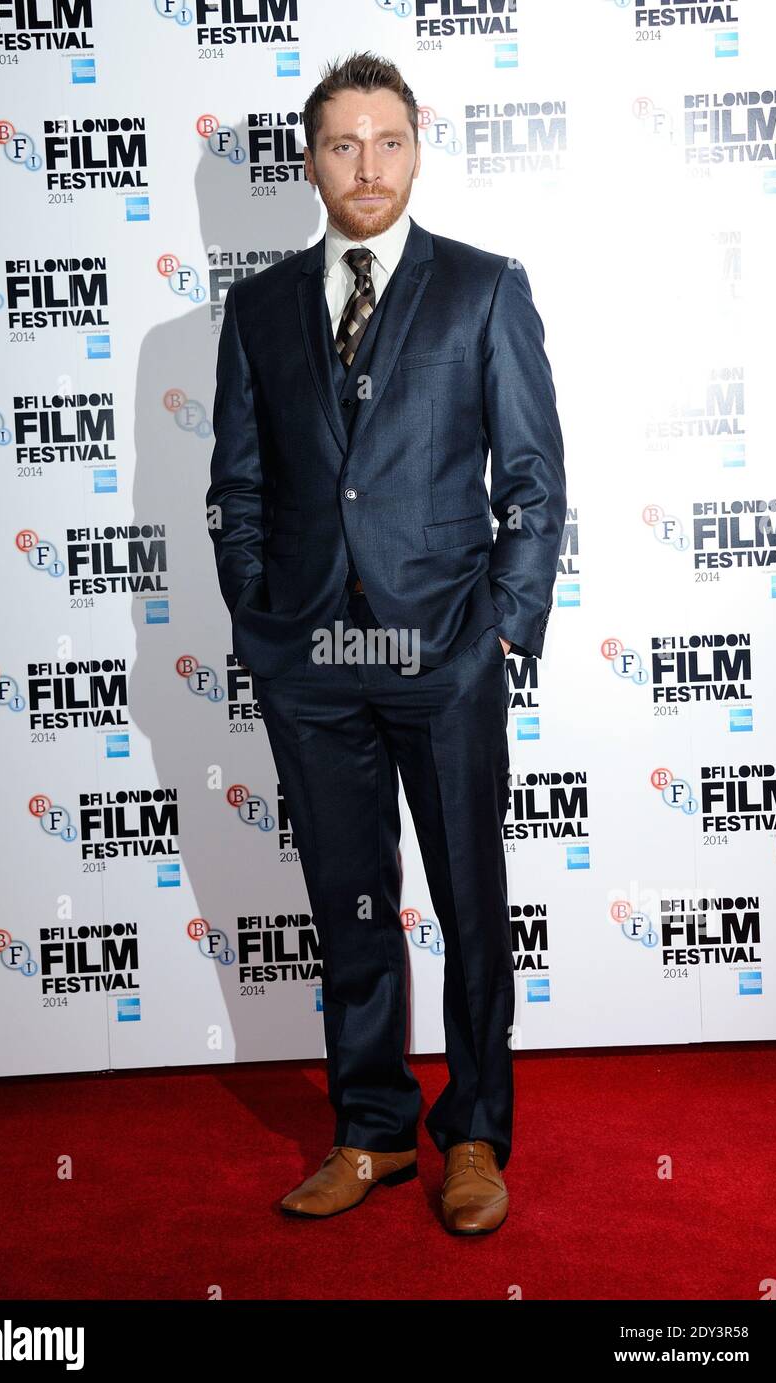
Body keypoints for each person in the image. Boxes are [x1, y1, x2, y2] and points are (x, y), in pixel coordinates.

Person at [206, 50, 565, 1234]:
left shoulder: (481, 288)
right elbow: (239, 488)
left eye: (388, 141)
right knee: (347, 903)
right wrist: (263, 629)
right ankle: (369, 1132)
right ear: (309, 161)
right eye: (342, 144)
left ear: (418, 149)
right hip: (313, 664)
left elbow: (530, 479)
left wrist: (500, 629)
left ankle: (471, 1134)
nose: (367, 165)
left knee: (469, 900)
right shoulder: (257, 310)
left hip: (444, 653)